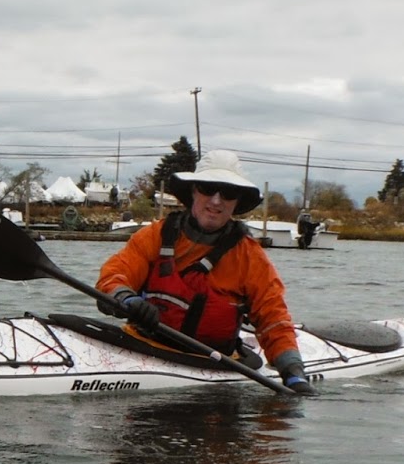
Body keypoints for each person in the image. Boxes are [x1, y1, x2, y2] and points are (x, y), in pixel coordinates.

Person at [96, 150, 315, 395]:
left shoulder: (251, 257)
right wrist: (127, 299)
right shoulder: (155, 236)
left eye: (228, 193)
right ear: (193, 192)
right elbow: (114, 276)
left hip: (214, 362)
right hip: (143, 345)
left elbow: (273, 320)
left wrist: (293, 372)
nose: (216, 201)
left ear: (237, 201)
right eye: (208, 188)